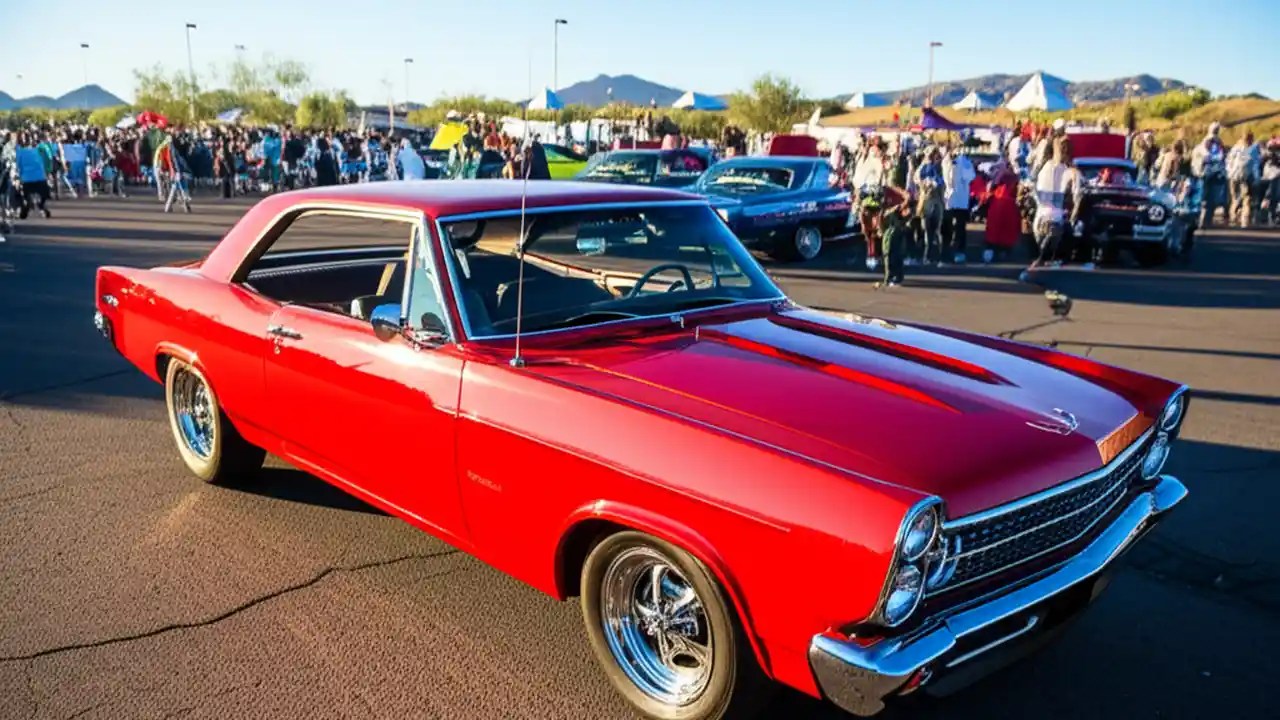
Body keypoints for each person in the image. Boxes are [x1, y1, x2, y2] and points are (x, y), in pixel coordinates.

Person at [1022, 136, 1079, 281]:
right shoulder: (1066, 170)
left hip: (1047, 215)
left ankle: (1036, 270)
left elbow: (1030, 182)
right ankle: (1037, 269)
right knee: (1045, 250)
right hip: (1050, 215)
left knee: (1044, 250)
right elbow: (1077, 193)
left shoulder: (1057, 168)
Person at [874, 184, 913, 288]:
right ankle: (895, 278)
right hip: (892, 235)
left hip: (892, 235)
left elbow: (907, 201)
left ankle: (890, 279)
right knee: (894, 257)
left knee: (891, 257)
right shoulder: (884, 212)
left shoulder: (892, 210)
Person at [942, 146, 976, 264]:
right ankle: (946, 251)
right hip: (949, 200)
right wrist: (951, 165)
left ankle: (960, 251)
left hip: (961, 200)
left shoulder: (965, 162)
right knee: (947, 227)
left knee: (960, 227)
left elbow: (970, 176)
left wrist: (959, 166)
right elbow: (946, 179)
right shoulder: (945, 161)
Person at [982, 158, 1020, 262]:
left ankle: (991, 250)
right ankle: (1004, 250)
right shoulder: (1015, 176)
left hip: (998, 202)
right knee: (1007, 228)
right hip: (1009, 204)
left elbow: (992, 186)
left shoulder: (1000, 173)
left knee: (995, 228)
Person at [1191, 122, 1228, 228]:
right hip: (1207, 173)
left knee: (1208, 198)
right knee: (1205, 198)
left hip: (1210, 173)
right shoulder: (1209, 142)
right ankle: (1202, 220)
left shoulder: (1214, 142)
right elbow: (1209, 156)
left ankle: (1205, 220)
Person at [913, 147, 945, 265]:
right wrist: (925, 183)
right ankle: (925, 256)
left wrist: (935, 183)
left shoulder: (939, 167)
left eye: (934, 154)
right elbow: (917, 179)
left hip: (936, 201)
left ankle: (936, 256)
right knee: (925, 230)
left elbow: (942, 182)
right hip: (926, 200)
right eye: (931, 154)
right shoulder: (923, 168)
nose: (932, 157)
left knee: (936, 230)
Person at [1226, 131, 1261, 228]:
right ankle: (1243, 219)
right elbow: (1255, 164)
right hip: (1244, 177)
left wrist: (1229, 173)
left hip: (1233, 177)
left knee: (1236, 198)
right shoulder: (1252, 150)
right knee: (1246, 199)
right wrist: (1257, 178)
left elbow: (1228, 161)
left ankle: (1234, 217)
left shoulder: (1235, 148)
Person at [15, 134, 52, 219]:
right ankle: (41, 205)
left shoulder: (20, 152)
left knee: (24, 194)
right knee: (45, 194)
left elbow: (18, 165)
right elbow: (45, 160)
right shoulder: (38, 150)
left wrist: (19, 176)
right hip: (39, 176)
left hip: (27, 177)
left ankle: (28, 205)